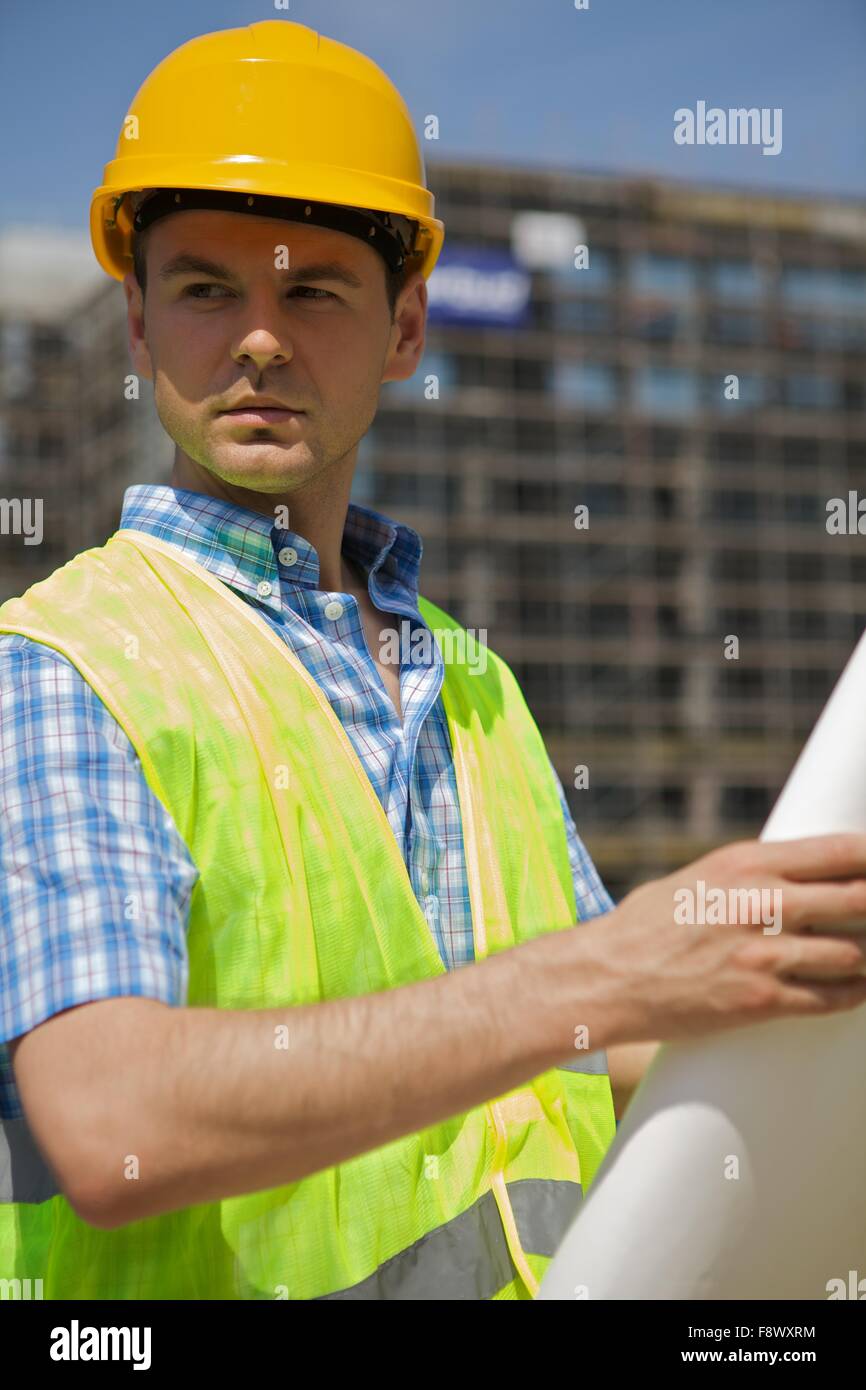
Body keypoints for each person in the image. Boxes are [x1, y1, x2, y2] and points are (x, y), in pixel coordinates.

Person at [2, 18, 866, 1302]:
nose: (255, 337)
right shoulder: (60, 665)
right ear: (136, 327)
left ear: (405, 328)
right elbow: (114, 1121)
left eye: (311, 290)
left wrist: (762, 967)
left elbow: (598, 1034)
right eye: (202, 290)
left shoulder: (467, 679)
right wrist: (612, 962)